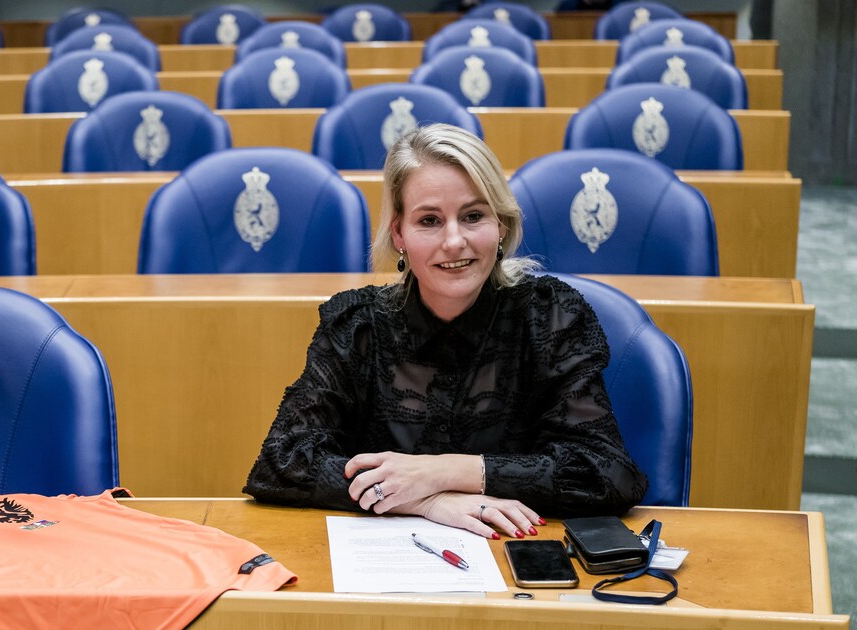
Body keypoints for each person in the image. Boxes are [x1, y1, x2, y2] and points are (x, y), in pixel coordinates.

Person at [242, 124, 647, 539]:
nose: (454, 241)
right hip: (385, 563)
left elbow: (608, 472)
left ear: (502, 224)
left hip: (516, 553)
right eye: (430, 221)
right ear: (399, 233)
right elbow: (281, 462)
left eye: (473, 216)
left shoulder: (550, 316)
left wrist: (442, 471)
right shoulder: (357, 325)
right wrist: (426, 501)